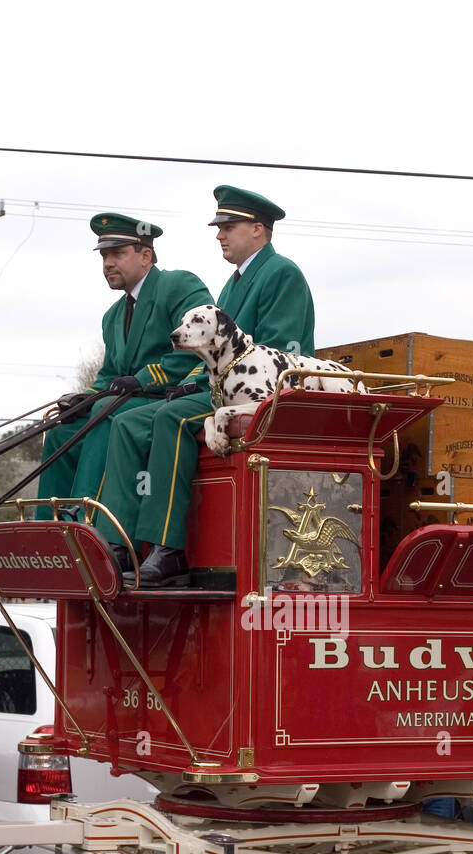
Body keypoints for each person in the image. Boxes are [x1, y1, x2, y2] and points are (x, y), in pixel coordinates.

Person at [97, 185, 316, 588]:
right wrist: (192, 380)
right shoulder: (233, 283)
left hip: (263, 397)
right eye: (220, 227)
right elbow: (218, 352)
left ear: (257, 229)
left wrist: (201, 386)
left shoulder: (282, 273)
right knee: (127, 422)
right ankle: (117, 543)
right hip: (222, 389)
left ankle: (168, 548)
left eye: (228, 226)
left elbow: (279, 357)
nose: (219, 235)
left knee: (172, 419)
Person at [36, 213, 212, 517]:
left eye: (118, 253)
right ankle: (47, 524)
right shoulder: (112, 316)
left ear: (146, 256)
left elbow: (197, 344)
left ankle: (84, 518)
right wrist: (85, 398)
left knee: (108, 416)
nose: (108, 263)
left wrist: (143, 379)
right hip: (125, 402)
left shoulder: (178, 285)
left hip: (171, 397)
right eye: (104, 255)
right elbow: (110, 374)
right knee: (60, 433)